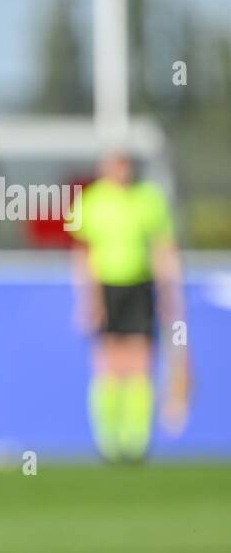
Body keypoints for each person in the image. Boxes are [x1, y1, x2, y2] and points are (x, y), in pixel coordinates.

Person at [70, 152, 187, 461]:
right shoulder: (91, 201)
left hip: (140, 286)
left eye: (127, 164)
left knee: (140, 360)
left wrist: (170, 294)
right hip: (106, 287)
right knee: (108, 362)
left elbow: (164, 248)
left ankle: (137, 440)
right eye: (116, 164)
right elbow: (83, 254)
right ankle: (108, 439)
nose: (122, 171)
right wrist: (88, 300)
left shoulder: (149, 199)